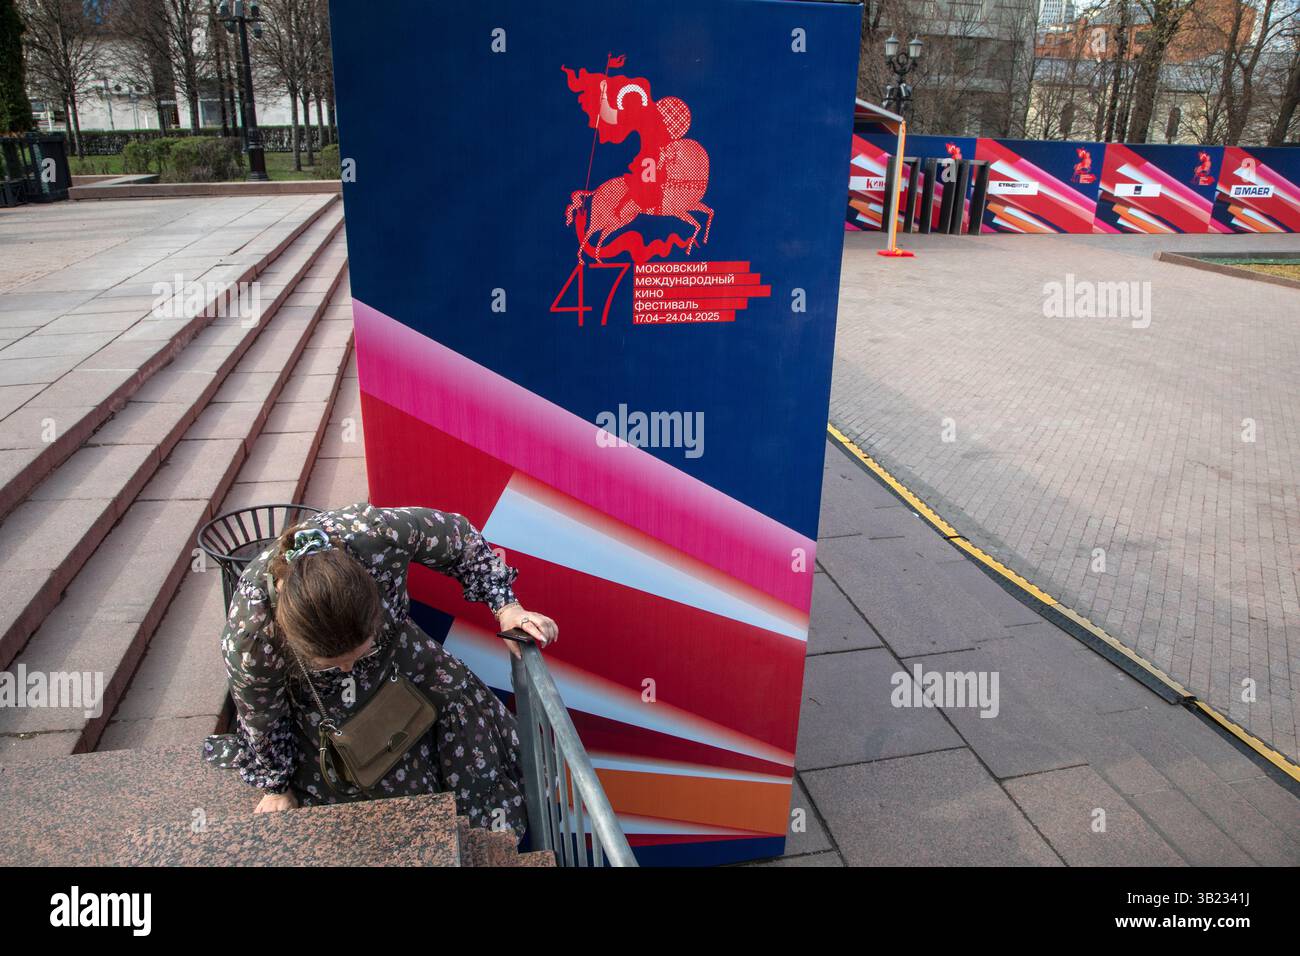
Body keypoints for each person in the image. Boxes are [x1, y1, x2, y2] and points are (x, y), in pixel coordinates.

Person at [203, 502, 557, 839]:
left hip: (407, 666)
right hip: (323, 709)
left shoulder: (374, 536)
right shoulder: (251, 639)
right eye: (331, 663)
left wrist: (506, 605)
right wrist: (277, 785)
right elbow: (263, 717)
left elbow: (459, 539)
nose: (347, 668)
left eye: (359, 651)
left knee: (475, 774)